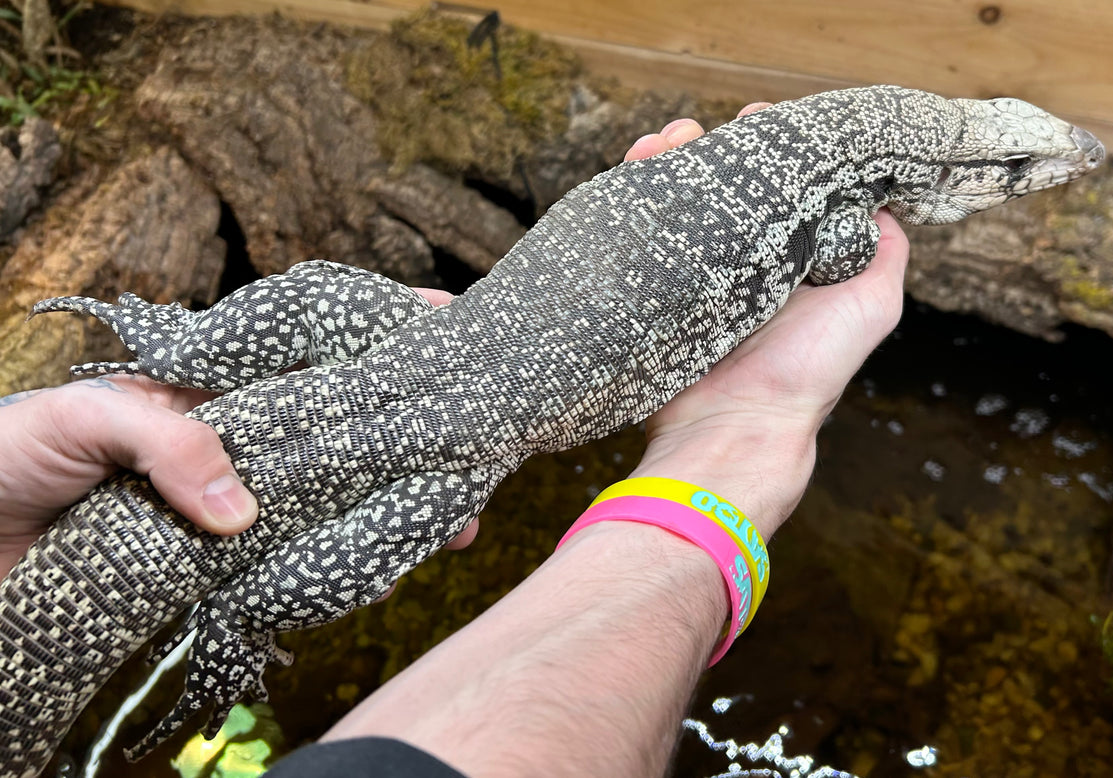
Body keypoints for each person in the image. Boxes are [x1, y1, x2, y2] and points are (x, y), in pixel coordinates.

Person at [0, 106, 909, 777]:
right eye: (1015, 162)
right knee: (276, 583)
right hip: (457, 435)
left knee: (322, 297)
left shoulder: (759, 152)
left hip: (427, 349)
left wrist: (739, 425)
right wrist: (750, 436)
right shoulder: (834, 221)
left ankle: (186, 349)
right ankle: (238, 617)